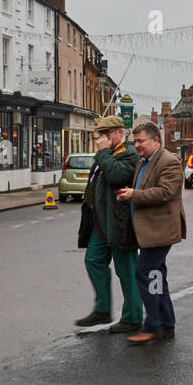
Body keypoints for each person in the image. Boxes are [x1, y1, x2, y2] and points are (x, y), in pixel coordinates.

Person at [115, 122, 186, 345]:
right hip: (149, 232)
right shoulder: (143, 162)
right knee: (157, 277)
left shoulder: (169, 162)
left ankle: (153, 325)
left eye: (140, 141)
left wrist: (134, 194)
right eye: (134, 141)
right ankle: (166, 324)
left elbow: (166, 192)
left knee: (145, 272)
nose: (136, 146)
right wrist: (128, 194)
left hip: (161, 231)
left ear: (156, 140)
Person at [75, 116, 142, 333]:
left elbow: (116, 175)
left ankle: (133, 317)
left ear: (118, 133)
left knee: (126, 270)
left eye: (104, 135)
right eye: (99, 135)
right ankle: (102, 309)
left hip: (120, 223)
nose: (100, 139)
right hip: (100, 223)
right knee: (93, 260)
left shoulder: (129, 154)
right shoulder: (108, 155)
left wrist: (103, 152)